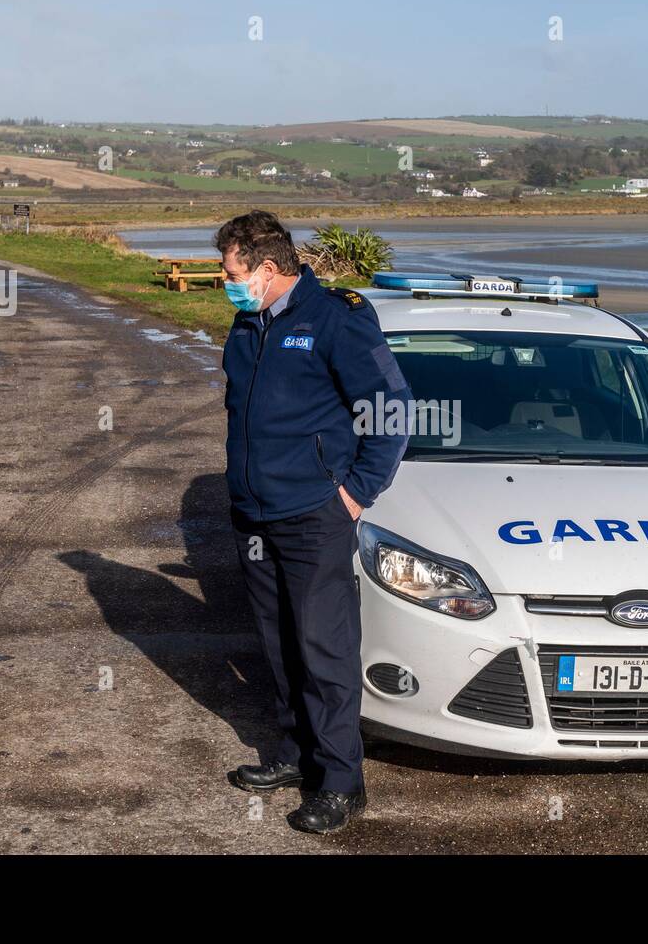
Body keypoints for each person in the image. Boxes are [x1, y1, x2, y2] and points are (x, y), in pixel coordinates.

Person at [218, 210, 410, 835]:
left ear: (267, 270)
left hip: (313, 514)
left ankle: (340, 782)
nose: (227, 282)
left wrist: (356, 494)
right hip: (255, 513)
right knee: (278, 644)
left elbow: (388, 408)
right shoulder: (247, 323)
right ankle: (295, 755)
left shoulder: (336, 318)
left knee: (323, 649)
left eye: (232, 272)